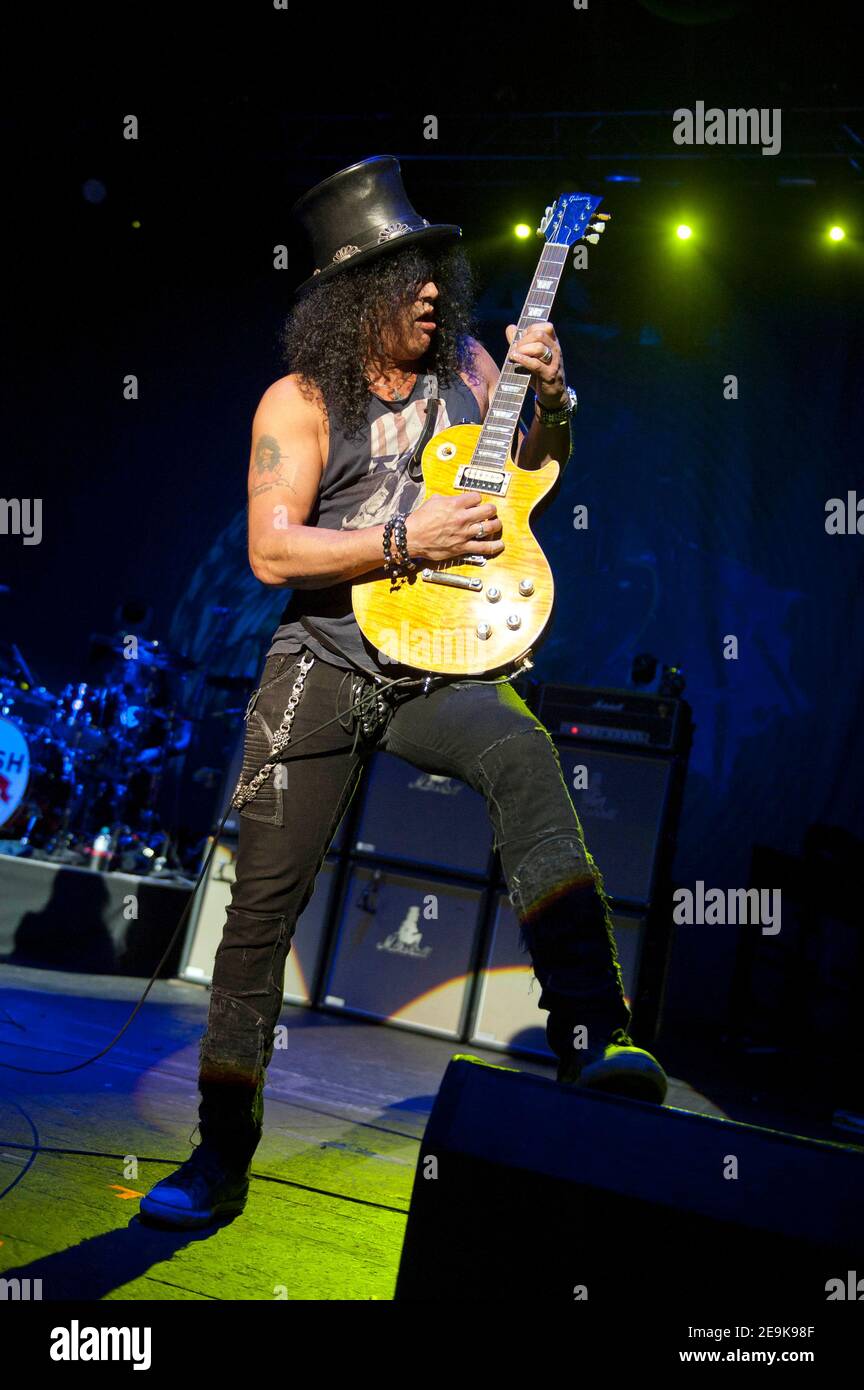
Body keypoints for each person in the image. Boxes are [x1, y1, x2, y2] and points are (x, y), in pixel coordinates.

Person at [140, 156, 667, 1230]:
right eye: (402, 274)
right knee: (258, 914)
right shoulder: (297, 401)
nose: (431, 287)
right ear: (349, 295)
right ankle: (219, 1157)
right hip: (326, 662)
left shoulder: (473, 362)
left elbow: (537, 468)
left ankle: (596, 1031)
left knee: (526, 755)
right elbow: (271, 549)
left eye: (434, 266)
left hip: (443, 663)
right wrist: (400, 537)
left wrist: (554, 397)